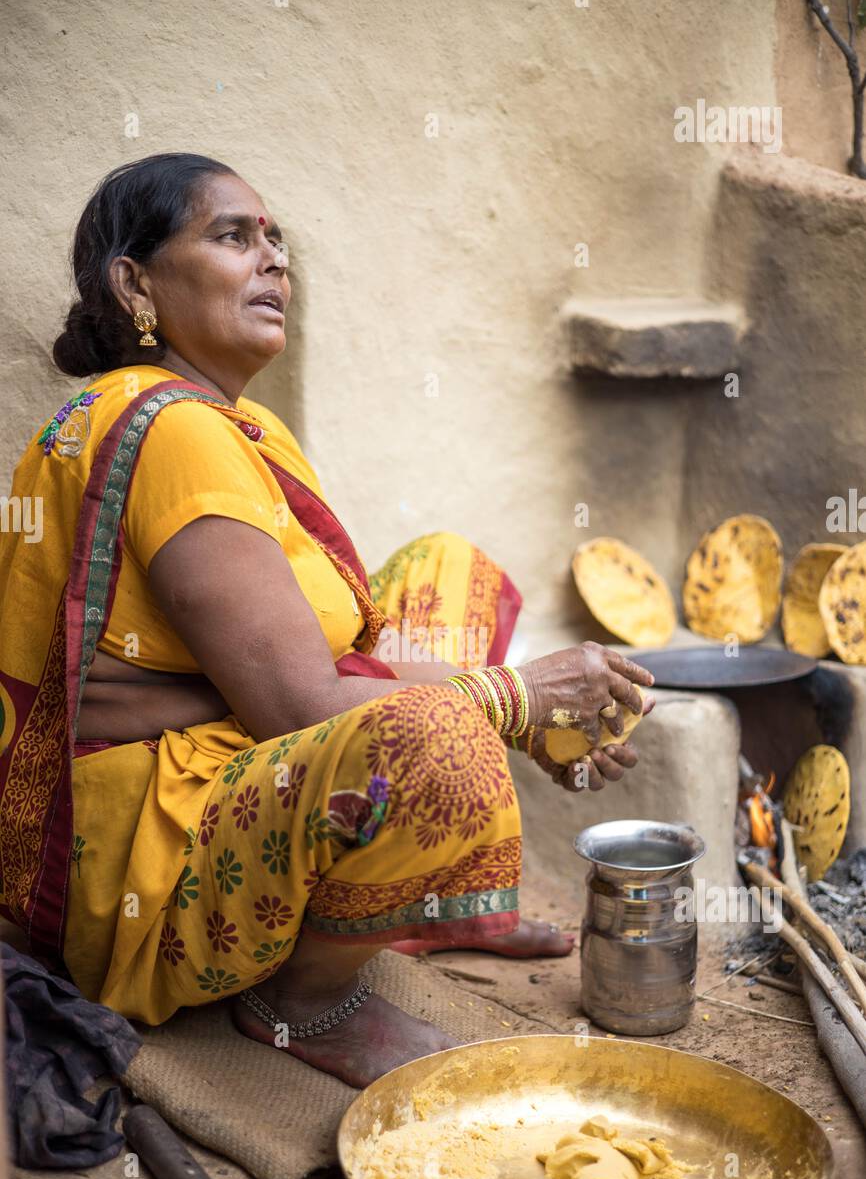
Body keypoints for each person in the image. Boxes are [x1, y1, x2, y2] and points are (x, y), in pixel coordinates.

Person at [0, 153, 653, 1088]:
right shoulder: (174, 429)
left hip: (220, 730)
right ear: (135, 284)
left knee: (449, 572)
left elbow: (332, 649)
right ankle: (300, 1000)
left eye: (276, 241)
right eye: (234, 237)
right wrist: (517, 699)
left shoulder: (235, 426)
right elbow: (303, 703)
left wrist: (530, 708)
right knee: (437, 743)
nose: (274, 261)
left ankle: (422, 900)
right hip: (143, 860)